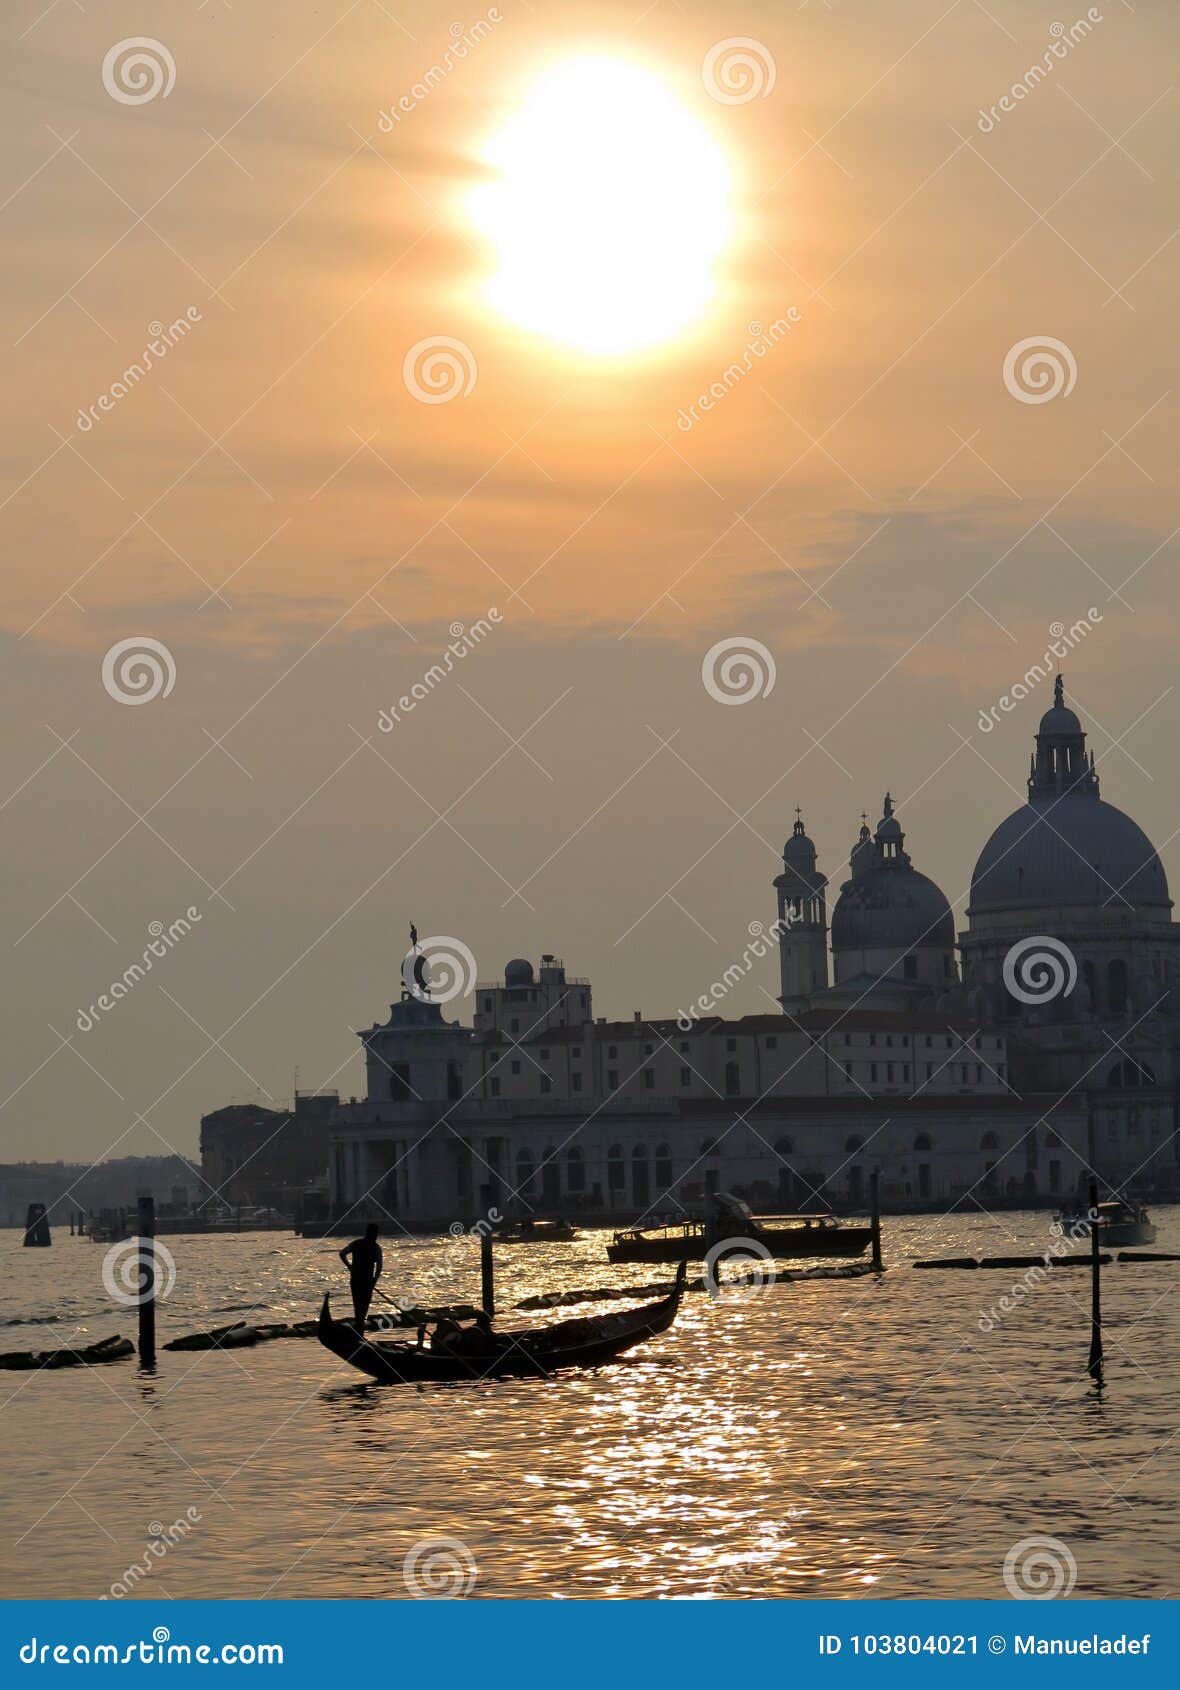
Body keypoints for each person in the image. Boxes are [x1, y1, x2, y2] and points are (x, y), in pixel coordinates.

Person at [339, 1224, 383, 1329]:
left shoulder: (356, 1244)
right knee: (363, 1308)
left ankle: (359, 1329)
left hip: (357, 1280)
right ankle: (360, 1329)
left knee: (358, 1307)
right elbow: (379, 1267)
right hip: (366, 1281)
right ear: (373, 1234)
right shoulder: (376, 1248)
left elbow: (342, 1254)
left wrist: (350, 1267)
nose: (376, 1236)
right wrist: (374, 1281)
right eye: (376, 1233)